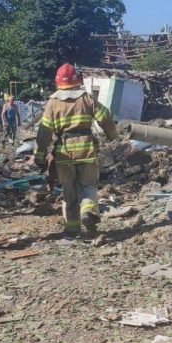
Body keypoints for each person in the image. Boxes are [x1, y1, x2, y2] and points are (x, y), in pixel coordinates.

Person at [35, 63, 117, 240]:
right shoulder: (86, 98)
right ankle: (88, 211)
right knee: (88, 185)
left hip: (63, 154)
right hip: (86, 150)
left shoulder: (52, 102)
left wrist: (40, 155)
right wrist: (113, 134)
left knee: (69, 190)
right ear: (77, 80)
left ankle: (72, 230)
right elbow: (105, 116)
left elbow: (44, 132)